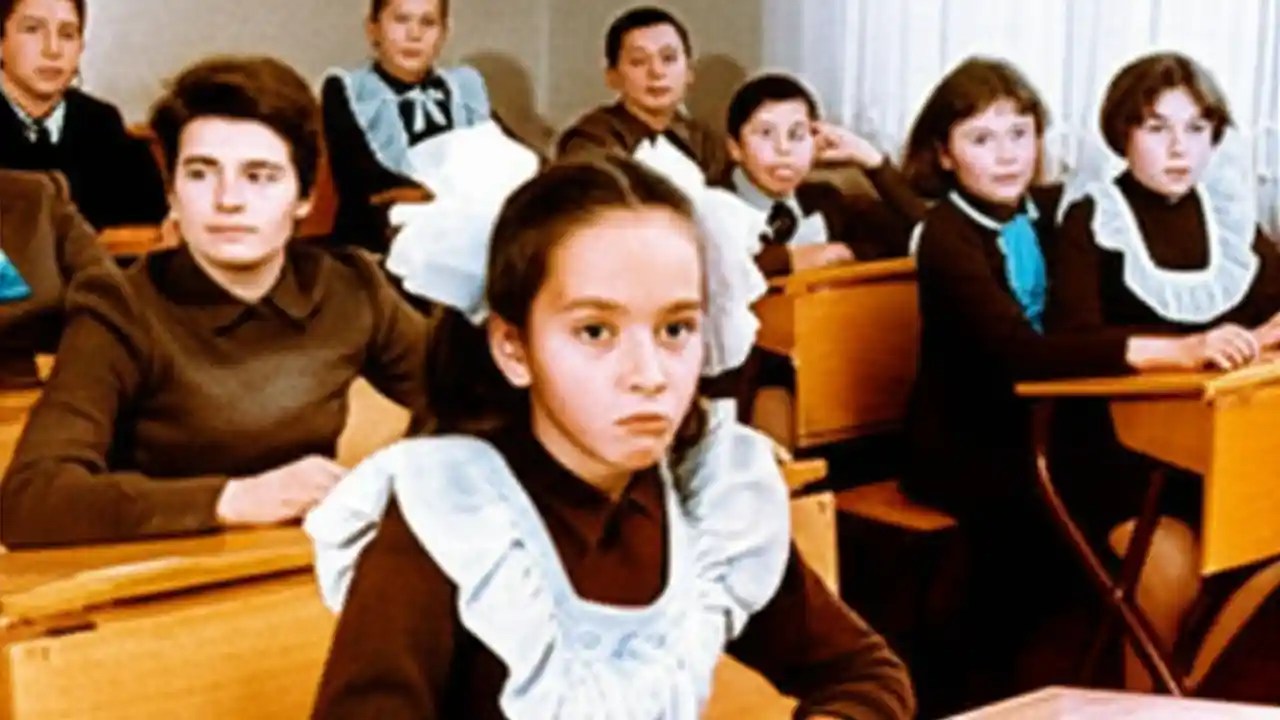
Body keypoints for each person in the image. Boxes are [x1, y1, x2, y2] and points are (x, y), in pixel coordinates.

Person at [306, 155, 915, 719]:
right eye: (596, 331)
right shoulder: (452, 517)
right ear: (513, 348)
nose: (649, 376)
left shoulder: (708, 496)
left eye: (676, 329)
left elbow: (865, 675)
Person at [899, 56, 1253, 700]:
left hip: (1061, 417)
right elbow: (1021, 353)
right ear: (944, 155)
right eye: (982, 139)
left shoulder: (1049, 207)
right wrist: (1177, 350)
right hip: (975, 438)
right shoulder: (947, 235)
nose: (1007, 156)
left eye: (1020, 134)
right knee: (1145, 539)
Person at [0, 56, 431, 548]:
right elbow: (31, 500)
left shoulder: (353, 287)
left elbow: (477, 410)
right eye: (202, 173)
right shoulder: (119, 305)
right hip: (161, 580)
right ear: (173, 192)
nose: (229, 200)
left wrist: (395, 481)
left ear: (305, 196)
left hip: (303, 563)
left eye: (260, 176)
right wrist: (233, 499)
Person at [1052, 51, 1280, 691]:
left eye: (1196, 129)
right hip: (1115, 451)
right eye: (1157, 128)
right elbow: (1074, 338)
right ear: (1123, 134)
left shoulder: (1229, 215)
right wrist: (1190, 345)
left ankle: (1197, 694)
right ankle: (1146, 702)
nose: (1179, 147)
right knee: (1166, 565)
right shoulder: (1092, 217)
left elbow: (1272, 303)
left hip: (1220, 448)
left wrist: (1267, 338)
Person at [321, 0, 492, 251]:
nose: (414, 34)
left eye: (428, 22)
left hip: (459, 235)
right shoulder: (348, 88)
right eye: (401, 20)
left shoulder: (463, 89)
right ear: (374, 29)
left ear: (444, 32)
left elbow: (500, 153)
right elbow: (360, 177)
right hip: (376, 239)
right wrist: (434, 198)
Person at [0, 0, 166, 229]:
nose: (53, 49)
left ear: (81, 47)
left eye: (67, 34)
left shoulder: (103, 124)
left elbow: (148, 227)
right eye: (33, 30)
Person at [555, 6, 728, 182]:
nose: (657, 71)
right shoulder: (592, 138)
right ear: (612, 76)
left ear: (690, 71)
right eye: (638, 61)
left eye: (668, 58)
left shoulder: (705, 141)